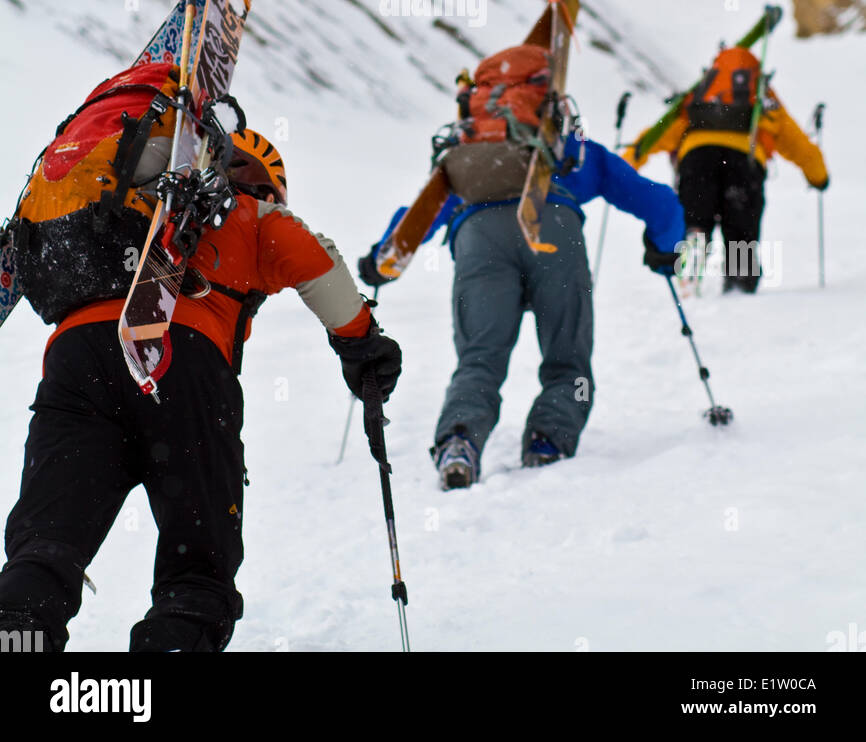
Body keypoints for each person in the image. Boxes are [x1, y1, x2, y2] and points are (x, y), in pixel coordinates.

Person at [0, 122, 400, 652]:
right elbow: (313, 258)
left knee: (47, 543)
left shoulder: (123, 202)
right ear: (268, 186)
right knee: (197, 568)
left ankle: (18, 632)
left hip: (78, 361)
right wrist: (362, 343)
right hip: (179, 361)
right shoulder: (249, 214)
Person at [359, 116, 685, 491]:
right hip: (556, 229)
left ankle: (459, 441)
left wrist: (380, 264)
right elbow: (660, 202)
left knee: (479, 357)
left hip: (479, 236)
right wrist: (665, 248)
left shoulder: (471, 158)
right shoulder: (571, 149)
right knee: (569, 356)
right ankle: (549, 440)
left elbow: (417, 218)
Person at [623, 45, 829, 293]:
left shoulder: (701, 97)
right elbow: (800, 146)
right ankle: (740, 281)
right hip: (744, 164)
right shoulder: (763, 101)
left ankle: (693, 248)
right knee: (741, 229)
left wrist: (624, 165)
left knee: (695, 219)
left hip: (697, 159)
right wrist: (819, 178)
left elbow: (658, 135)